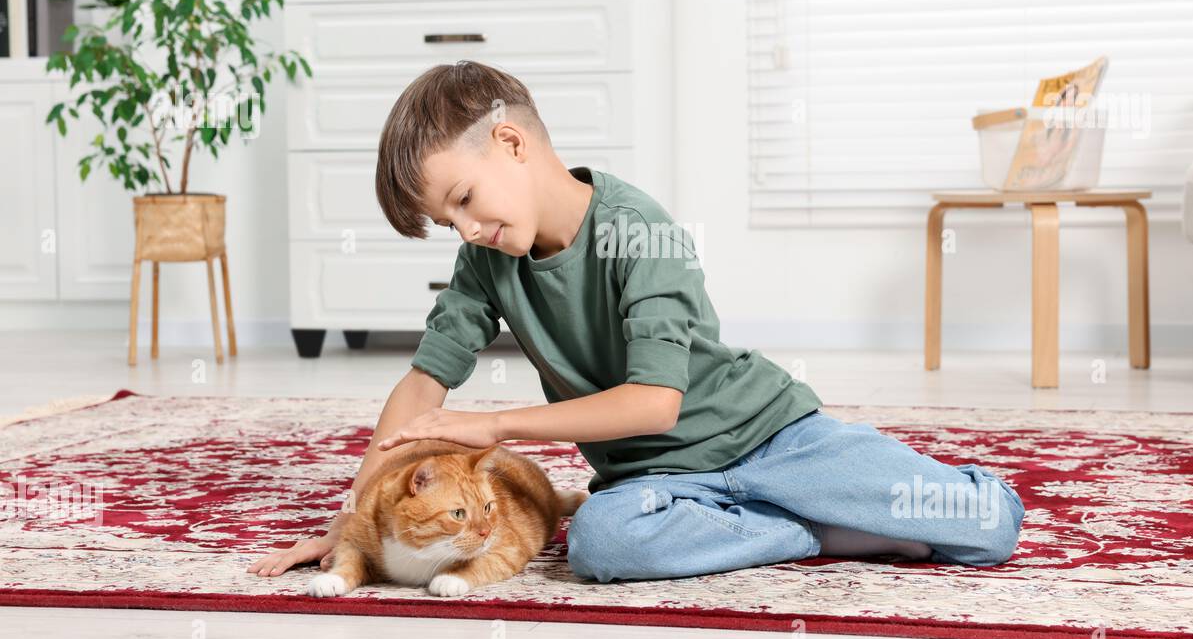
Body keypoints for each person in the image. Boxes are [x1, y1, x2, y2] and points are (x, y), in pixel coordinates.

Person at [248, 61, 1025, 582]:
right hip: (652, 480)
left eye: (462, 200)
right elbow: (425, 382)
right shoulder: (487, 259)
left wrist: (496, 425)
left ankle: (815, 500)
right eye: (445, 220)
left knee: (986, 525)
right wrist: (360, 513)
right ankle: (817, 531)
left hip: (767, 436)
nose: (464, 230)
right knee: (598, 544)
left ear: (511, 143)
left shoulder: (638, 230)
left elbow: (657, 403)